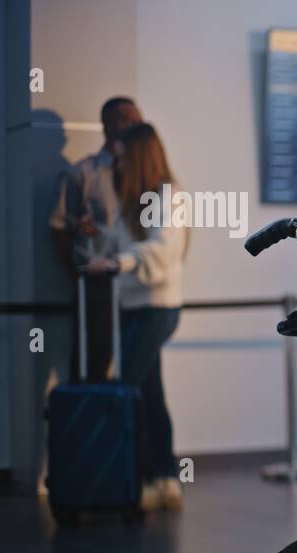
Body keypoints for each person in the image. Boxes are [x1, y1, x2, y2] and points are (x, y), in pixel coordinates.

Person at [83, 123, 188, 512]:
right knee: (148, 393)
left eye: (124, 156)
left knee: (126, 390)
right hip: (136, 307)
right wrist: (100, 241)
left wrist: (115, 261)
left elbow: (162, 252)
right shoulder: (133, 198)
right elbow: (121, 244)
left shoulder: (167, 196)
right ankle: (163, 479)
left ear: (139, 155)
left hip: (157, 308)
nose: (119, 163)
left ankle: (138, 479)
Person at [50, 96, 143, 381]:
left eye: (137, 119)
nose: (135, 125)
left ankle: (131, 425)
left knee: (138, 365)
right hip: (97, 284)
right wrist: (83, 273)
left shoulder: (145, 174)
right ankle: (87, 423)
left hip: (137, 282)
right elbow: (59, 228)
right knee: (92, 363)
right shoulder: (83, 173)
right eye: (127, 119)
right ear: (106, 124)